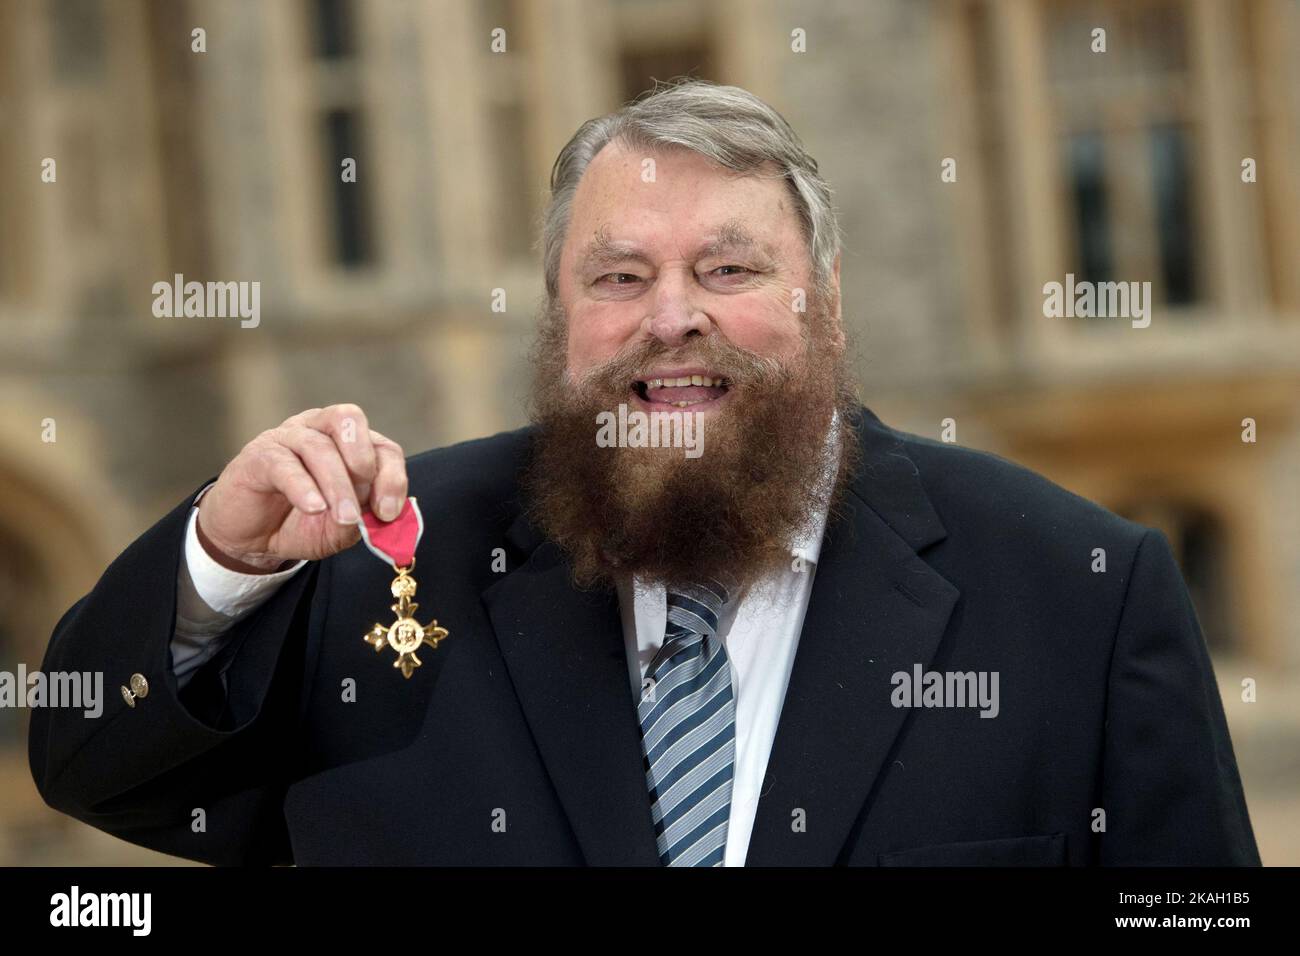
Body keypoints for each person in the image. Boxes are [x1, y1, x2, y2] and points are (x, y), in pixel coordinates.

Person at [29, 80, 1259, 866]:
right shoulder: (394, 552)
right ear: (561, 316)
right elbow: (94, 766)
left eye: (728, 270)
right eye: (618, 277)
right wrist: (223, 563)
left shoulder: (1076, 590)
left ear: (822, 304)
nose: (670, 318)